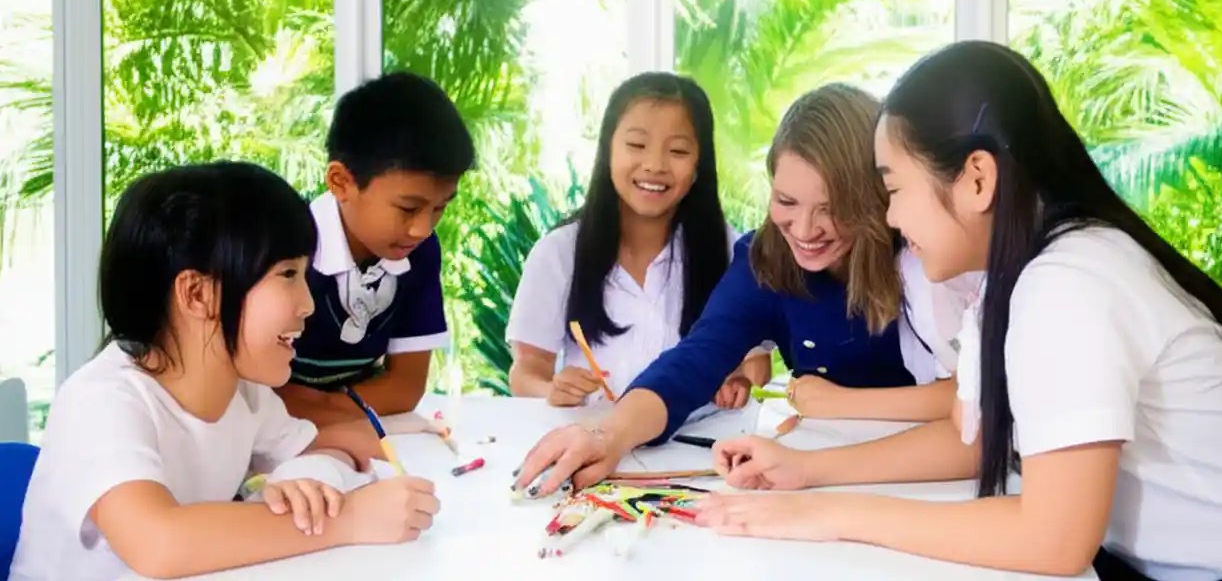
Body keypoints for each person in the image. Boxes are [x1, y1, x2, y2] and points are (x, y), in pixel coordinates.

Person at [695, 41, 1222, 581]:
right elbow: (969, 437)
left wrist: (826, 515)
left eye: (893, 189)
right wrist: (807, 470)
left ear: (976, 179)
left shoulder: (1069, 282)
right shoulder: (1016, 277)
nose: (890, 217)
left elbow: (1054, 540)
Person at [515, 83, 965, 496]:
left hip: (938, 470)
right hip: (823, 473)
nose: (804, 230)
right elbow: (696, 359)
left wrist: (840, 403)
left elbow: (975, 401)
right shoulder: (764, 260)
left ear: (873, 196)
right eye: (786, 202)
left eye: (832, 209)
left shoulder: (921, 254)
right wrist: (608, 435)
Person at [10, 163, 439, 581]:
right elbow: (159, 542)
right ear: (198, 294)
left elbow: (324, 450)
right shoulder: (102, 401)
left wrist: (304, 483)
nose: (308, 304)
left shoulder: (246, 394)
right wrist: (346, 520)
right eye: (288, 274)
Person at [506, 72, 770, 409]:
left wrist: (741, 377)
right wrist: (552, 391)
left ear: (699, 164)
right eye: (636, 145)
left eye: (677, 150)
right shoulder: (559, 253)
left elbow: (756, 358)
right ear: (608, 150)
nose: (654, 165)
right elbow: (526, 371)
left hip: (702, 439)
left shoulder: (731, 251)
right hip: (591, 437)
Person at [278, 72, 474, 426]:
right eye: (408, 208)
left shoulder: (420, 252)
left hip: (344, 429)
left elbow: (405, 388)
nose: (423, 229)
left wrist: (315, 405)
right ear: (341, 182)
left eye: (440, 207)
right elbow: (253, 394)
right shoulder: (281, 245)